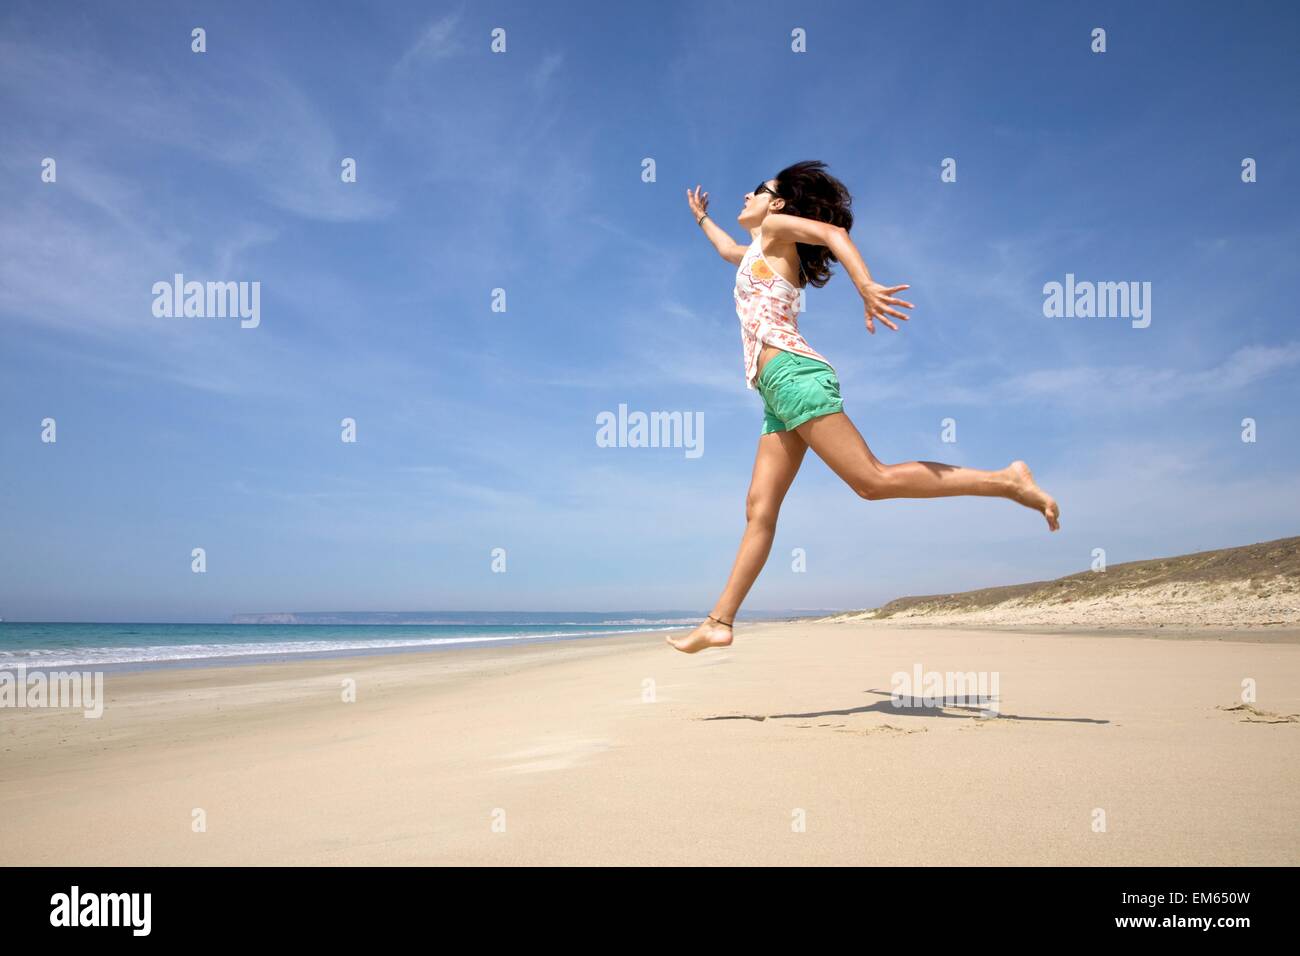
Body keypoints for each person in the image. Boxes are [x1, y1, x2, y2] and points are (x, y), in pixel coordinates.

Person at [668, 161, 1059, 654]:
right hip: (774, 391)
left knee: (871, 480)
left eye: (759, 190)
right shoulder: (757, 251)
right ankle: (719, 622)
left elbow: (832, 233)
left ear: (780, 203)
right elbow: (728, 250)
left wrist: (866, 286)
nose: (746, 194)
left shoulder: (773, 228)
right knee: (759, 509)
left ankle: (1006, 481)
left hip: (794, 375)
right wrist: (701, 218)